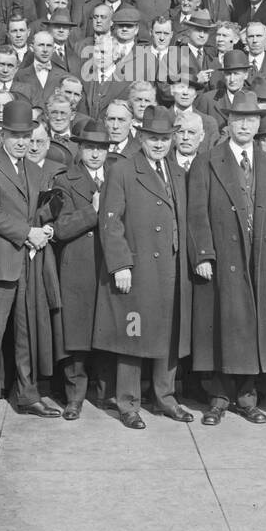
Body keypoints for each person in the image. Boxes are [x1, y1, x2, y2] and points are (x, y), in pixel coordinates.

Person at [95, 105, 195, 429]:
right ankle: (128, 403)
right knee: (133, 335)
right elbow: (110, 221)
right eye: (153, 138)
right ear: (142, 137)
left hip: (171, 267)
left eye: (165, 138)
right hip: (138, 269)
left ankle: (165, 398)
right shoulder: (123, 170)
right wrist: (120, 264)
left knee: (169, 334)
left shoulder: (176, 172)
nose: (159, 144)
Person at [189, 92, 266, 426]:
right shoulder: (207, 161)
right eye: (239, 119)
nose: (245, 125)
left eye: (251, 120)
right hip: (223, 255)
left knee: (253, 329)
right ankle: (218, 398)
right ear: (228, 122)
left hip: (258, 258)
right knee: (222, 326)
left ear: (258, 124)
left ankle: (247, 398)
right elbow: (196, 212)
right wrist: (203, 253)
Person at [0, 99, 65, 424]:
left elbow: (37, 211)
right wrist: (27, 232)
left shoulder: (35, 170)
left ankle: (27, 395)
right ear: (2, 134)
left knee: (27, 334)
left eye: (26, 135)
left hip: (29, 262)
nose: (22, 141)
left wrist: (45, 226)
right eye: (15, 135)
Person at [50, 117, 112, 419]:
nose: (95, 154)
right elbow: (60, 227)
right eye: (89, 147)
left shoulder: (118, 176)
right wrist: (93, 211)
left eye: (101, 148)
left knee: (108, 330)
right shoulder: (65, 180)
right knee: (76, 334)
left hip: (109, 266)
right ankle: (74, 396)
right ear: (80, 148)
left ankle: (106, 393)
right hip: (77, 266)